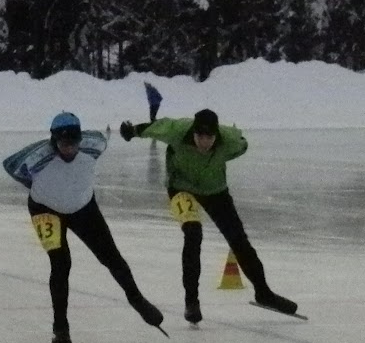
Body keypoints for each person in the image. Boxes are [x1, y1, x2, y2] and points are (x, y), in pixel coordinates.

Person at [3, 112, 165, 343]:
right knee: (61, 263)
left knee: (110, 256)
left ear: (80, 139)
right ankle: (61, 327)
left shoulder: (94, 144)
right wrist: (34, 184)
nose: (69, 149)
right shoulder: (38, 156)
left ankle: (137, 299)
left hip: (83, 206)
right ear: (53, 141)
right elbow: (10, 165)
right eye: (62, 144)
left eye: (74, 143)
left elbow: (100, 137)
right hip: (44, 209)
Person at [119, 107, 297, 322]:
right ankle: (191, 302)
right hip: (181, 188)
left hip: (215, 191)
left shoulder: (230, 140)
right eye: (199, 136)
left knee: (239, 240)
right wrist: (131, 131)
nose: (204, 142)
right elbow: (153, 128)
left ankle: (264, 293)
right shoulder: (176, 130)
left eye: (209, 137)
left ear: (216, 135)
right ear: (193, 132)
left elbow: (243, 146)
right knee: (193, 233)